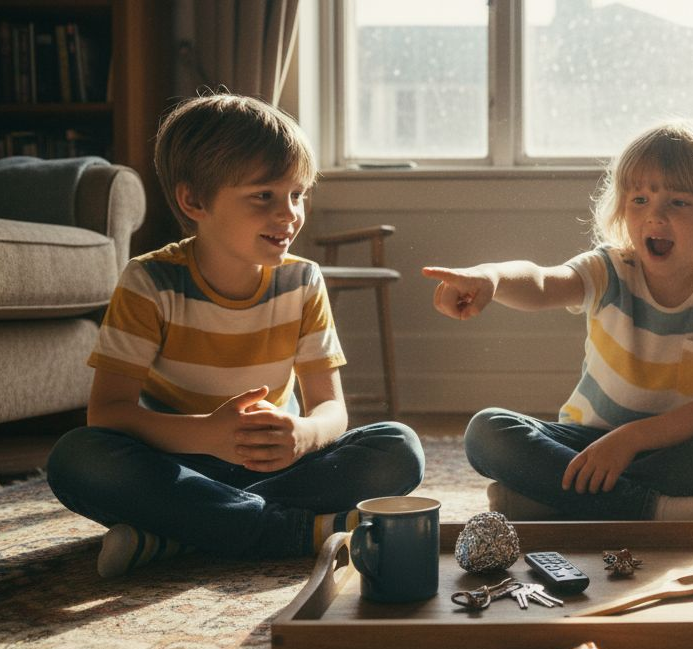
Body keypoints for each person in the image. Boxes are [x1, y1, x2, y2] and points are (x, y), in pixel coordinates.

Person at [46, 93, 425, 578]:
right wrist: (207, 433)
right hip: (176, 467)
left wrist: (305, 435)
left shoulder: (302, 280)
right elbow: (107, 414)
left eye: (297, 193)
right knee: (77, 458)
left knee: (398, 446)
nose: (289, 214)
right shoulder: (149, 282)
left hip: (275, 465)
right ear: (194, 201)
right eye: (263, 196)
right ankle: (291, 531)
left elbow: (332, 410)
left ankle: (174, 536)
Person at [423, 119, 693, 521]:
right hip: (585, 441)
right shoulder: (609, 267)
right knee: (487, 433)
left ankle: (553, 497)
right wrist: (491, 276)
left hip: (675, 446)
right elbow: (542, 282)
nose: (654, 216)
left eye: (678, 202)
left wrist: (630, 440)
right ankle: (657, 509)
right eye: (639, 199)